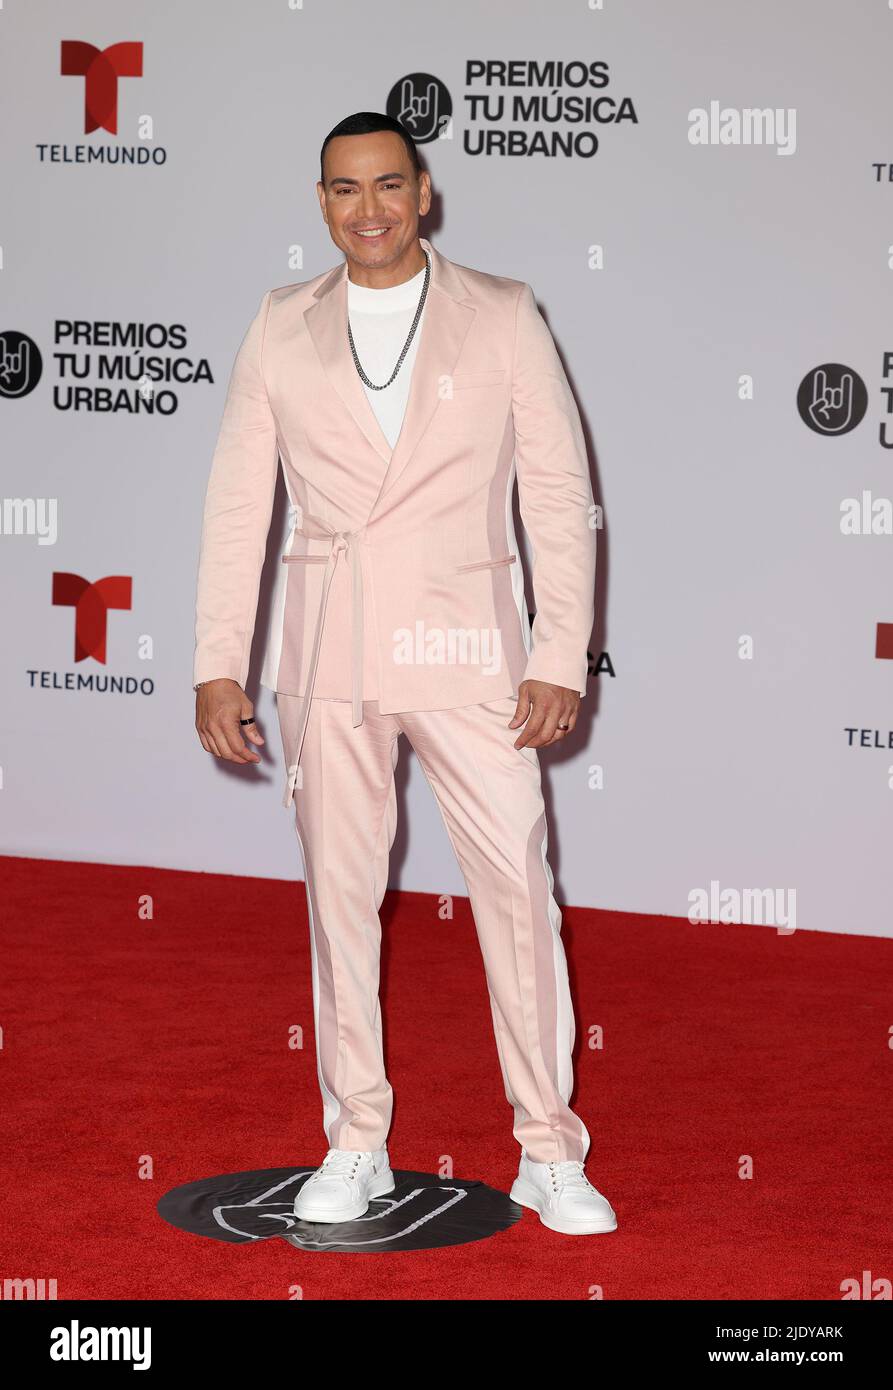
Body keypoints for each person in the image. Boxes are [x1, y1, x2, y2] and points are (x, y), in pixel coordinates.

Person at [192, 111, 615, 1237]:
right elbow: (241, 505)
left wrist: (555, 651)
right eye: (342, 189)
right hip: (329, 652)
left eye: (387, 185)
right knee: (340, 906)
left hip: (470, 650)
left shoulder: (503, 311)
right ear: (319, 201)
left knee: (517, 896)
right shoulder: (281, 324)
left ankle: (545, 1149)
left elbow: (556, 498)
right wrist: (216, 665)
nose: (366, 209)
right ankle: (356, 1140)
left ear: (423, 192)